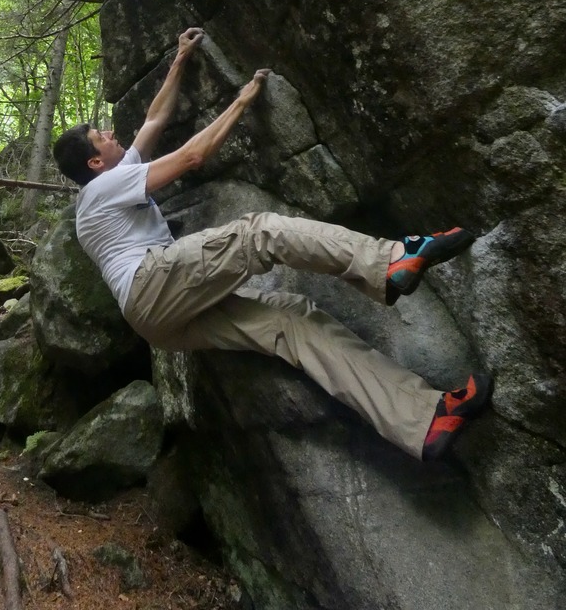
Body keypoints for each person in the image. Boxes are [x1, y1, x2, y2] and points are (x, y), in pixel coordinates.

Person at [52, 28, 492, 461]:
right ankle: (392, 259)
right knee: (257, 233)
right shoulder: (103, 189)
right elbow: (190, 157)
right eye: (102, 137)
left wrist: (180, 59)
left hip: (158, 322)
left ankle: (424, 417)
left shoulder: (103, 187)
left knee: (293, 320)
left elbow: (153, 120)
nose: (112, 133)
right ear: (95, 162)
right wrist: (242, 102)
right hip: (152, 284)